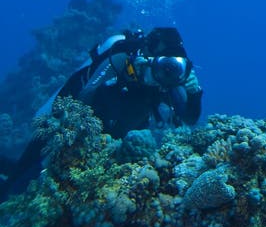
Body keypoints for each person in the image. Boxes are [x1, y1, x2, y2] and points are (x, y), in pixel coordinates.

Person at [1, 26, 202, 198]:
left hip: (110, 141)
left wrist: (194, 94)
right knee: (21, 179)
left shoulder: (167, 81)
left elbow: (190, 118)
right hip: (67, 123)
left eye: (175, 68)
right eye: (165, 66)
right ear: (149, 58)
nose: (167, 73)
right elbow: (84, 97)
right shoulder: (120, 58)